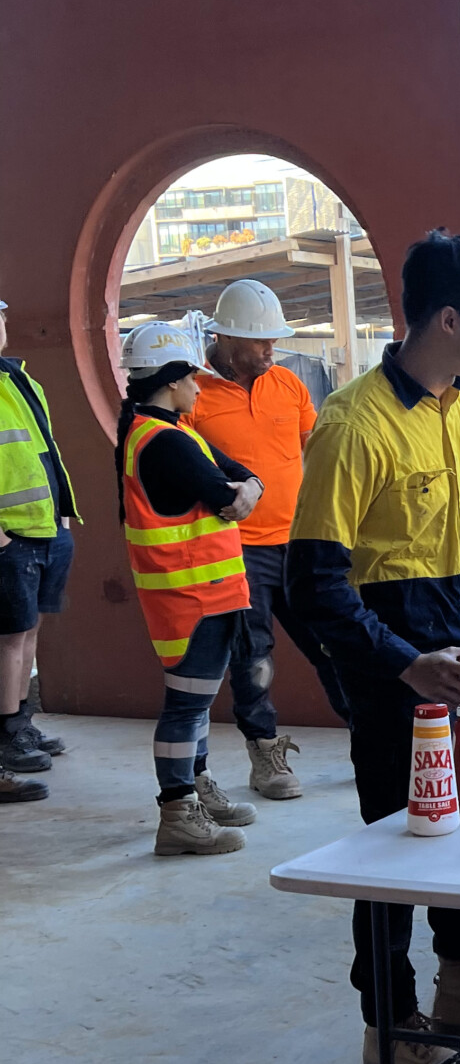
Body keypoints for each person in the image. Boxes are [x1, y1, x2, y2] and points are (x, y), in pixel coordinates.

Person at [288, 230, 460, 1064]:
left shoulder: (459, 405)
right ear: (448, 319)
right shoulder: (351, 426)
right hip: (395, 680)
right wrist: (406, 665)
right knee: (391, 859)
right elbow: (317, 587)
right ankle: (390, 1024)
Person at [189, 279, 349, 804]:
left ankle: (368, 729)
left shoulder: (289, 385)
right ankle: (264, 752)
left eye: (272, 340)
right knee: (253, 654)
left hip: (301, 541)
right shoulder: (193, 395)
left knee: (337, 641)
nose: (270, 349)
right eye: (260, 341)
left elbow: (317, 451)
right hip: (236, 549)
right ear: (228, 340)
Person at [114, 323, 263, 854]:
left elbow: (243, 476)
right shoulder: (167, 442)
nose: (200, 388)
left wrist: (249, 486)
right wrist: (245, 490)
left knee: (194, 706)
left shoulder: (166, 431)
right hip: (192, 599)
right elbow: (224, 489)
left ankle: (193, 793)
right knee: (185, 706)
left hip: (202, 597)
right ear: (173, 381)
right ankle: (178, 811)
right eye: (193, 379)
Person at [0, 296, 79, 802]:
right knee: (9, 639)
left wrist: (63, 516)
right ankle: (8, 732)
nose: (3, 323)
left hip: (46, 530)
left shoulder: (20, 379)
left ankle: (20, 721)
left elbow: (45, 451)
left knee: (29, 634)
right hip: (12, 536)